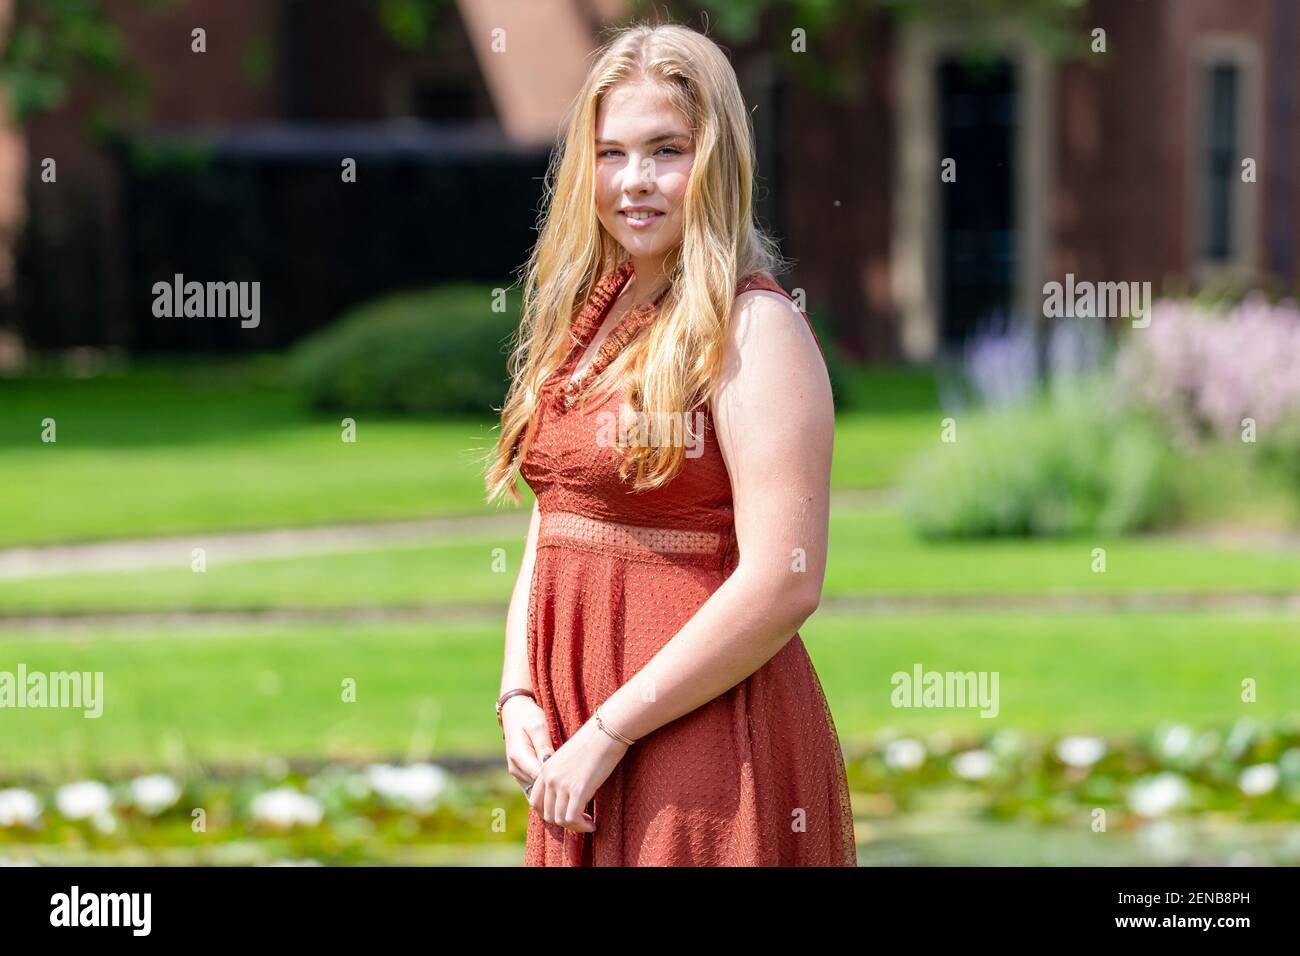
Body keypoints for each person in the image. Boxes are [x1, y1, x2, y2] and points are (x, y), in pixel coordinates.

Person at [484, 20, 856, 866]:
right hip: (576, 734)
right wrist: (517, 691)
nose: (635, 182)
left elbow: (783, 583)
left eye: (666, 151)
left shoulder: (754, 329)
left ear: (716, 161)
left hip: (699, 743)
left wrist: (613, 727)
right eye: (612, 154)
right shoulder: (585, 317)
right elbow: (555, 514)